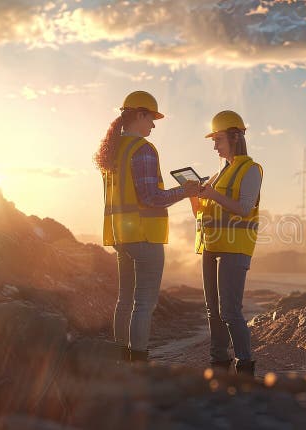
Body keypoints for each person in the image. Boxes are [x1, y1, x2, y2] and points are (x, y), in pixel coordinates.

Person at [94, 90, 199, 362]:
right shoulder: (143, 150)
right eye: (151, 118)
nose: (153, 125)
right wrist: (186, 191)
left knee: (124, 301)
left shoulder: (114, 153)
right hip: (145, 237)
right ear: (139, 115)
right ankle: (138, 363)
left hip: (121, 236)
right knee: (144, 304)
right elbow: (151, 197)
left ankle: (119, 360)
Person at [191, 110, 263, 377]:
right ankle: (219, 365)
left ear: (234, 137)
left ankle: (244, 367)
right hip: (211, 246)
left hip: (235, 247)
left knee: (230, 311)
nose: (214, 145)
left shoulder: (251, 170)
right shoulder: (218, 174)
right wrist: (194, 195)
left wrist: (212, 193)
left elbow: (244, 208)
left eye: (218, 139)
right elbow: (202, 212)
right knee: (213, 311)